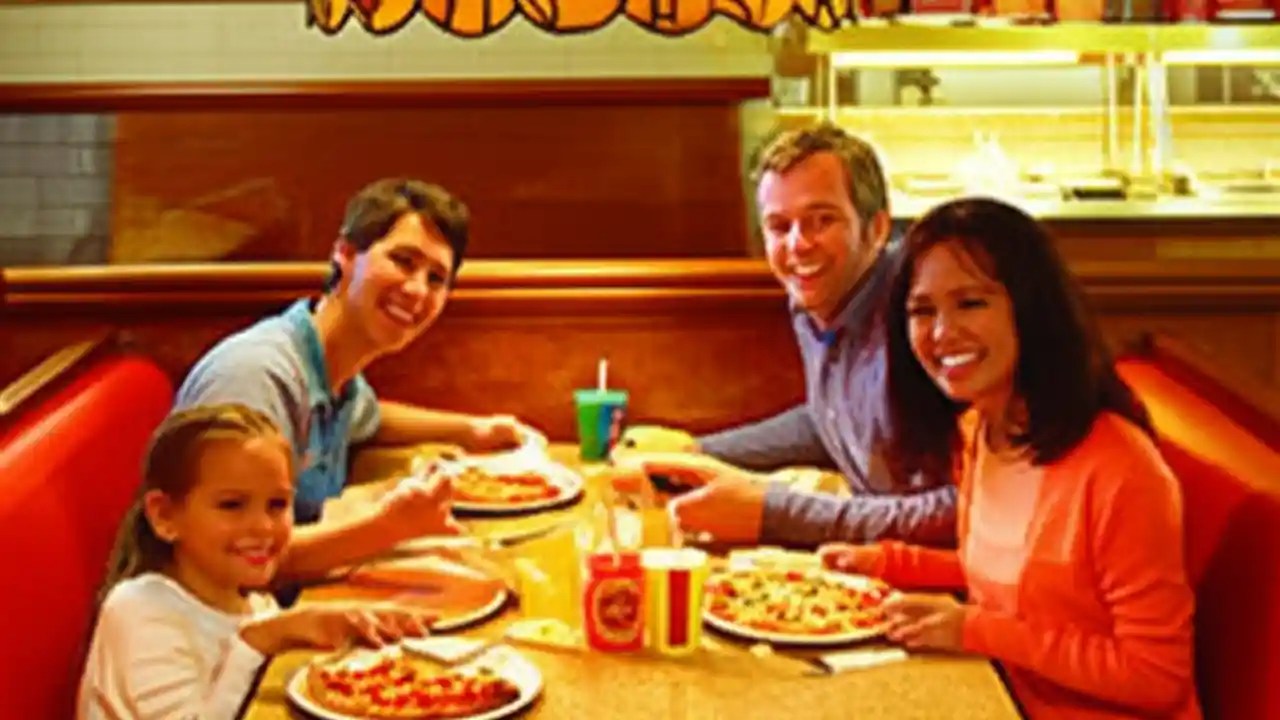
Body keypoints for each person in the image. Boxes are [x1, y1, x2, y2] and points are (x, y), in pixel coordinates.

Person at [818, 198, 1201, 719]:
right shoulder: (980, 429)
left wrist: (976, 630)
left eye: (971, 303)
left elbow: (1157, 676)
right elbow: (1019, 581)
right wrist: (890, 562)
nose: (941, 333)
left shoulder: (1122, 471)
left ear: (1031, 308)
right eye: (922, 310)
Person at [173, 177, 543, 584]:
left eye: (437, 278)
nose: (417, 289)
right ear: (346, 254)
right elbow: (224, 557)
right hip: (211, 631)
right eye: (403, 261)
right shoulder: (257, 375)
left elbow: (371, 418)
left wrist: (474, 430)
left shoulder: (334, 371)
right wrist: (388, 529)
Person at [615, 124, 955, 549]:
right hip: (869, 560)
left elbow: (964, 511)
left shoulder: (924, 320)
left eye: (822, 220)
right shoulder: (816, 300)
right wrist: (696, 452)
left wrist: (774, 513)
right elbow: (831, 419)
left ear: (877, 228)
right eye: (779, 226)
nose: (798, 245)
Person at [78, 404, 436, 720]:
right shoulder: (138, 609)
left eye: (277, 505)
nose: (263, 526)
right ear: (165, 516)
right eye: (232, 505)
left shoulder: (252, 601)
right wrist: (261, 639)